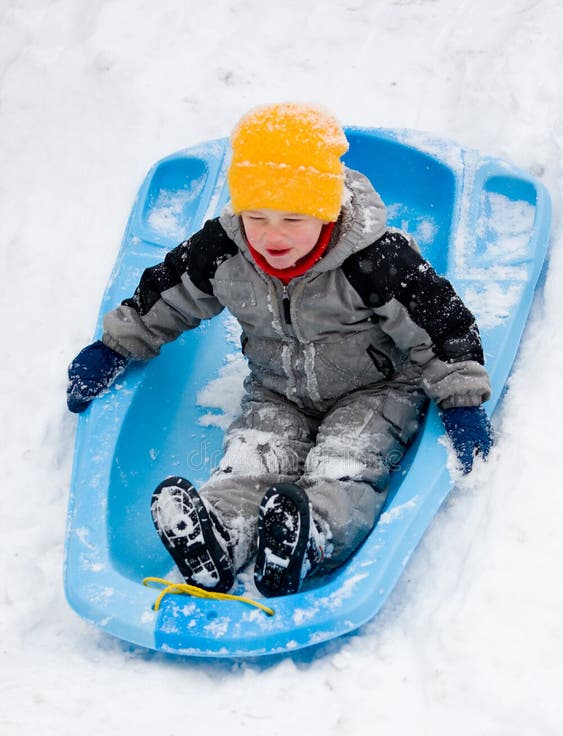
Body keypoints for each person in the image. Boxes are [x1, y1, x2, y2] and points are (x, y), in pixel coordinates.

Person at [67, 102, 493, 598]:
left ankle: (311, 536)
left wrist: (461, 401)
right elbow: (168, 292)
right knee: (252, 456)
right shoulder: (225, 251)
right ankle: (221, 536)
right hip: (276, 390)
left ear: (326, 210)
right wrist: (116, 346)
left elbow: (441, 325)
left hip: (374, 391)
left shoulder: (375, 259)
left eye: (293, 218)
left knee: (347, 461)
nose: (273, 235)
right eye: (257, 216)